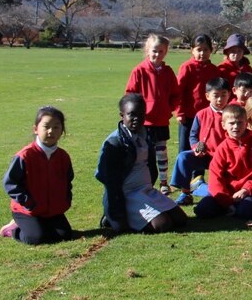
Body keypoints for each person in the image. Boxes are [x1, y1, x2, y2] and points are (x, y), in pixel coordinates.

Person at [95, 94, 187, 234]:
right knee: (163, 225)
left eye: (141, 114)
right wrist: (117, 217)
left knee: (181, 220)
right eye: (131, 115)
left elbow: (150, 165)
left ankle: (144, 215)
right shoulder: (114, 143)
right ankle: (113, 217)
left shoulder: (146, 135)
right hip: (127, 194)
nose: (136, 118)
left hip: (146, 190)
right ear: (122, 115)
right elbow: (107, 179)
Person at [1, 106, 75, 244]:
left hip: (52, 210)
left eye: (56, 127)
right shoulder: (25, 155)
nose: (51, 131)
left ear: (62, 130)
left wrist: (65, 200)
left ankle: (41, 225)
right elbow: (9, 182)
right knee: (36, 238)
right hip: (27, 210)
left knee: (65, 235)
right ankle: (14, 230)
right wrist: (28, 202)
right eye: (46, 126)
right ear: (36, 129)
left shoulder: (63, 157)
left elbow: (67, 180)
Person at [125, 33, 179, 194]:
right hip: (144, 123)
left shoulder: (168, 72)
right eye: (154, 51)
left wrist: (168, 109)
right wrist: (139, 112)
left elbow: (176, 94)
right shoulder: (139, 71)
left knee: (161, 153)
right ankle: (145, 184)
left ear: (166, 52)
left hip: (161, 121)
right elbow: (130, 95)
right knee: (144, 155)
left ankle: (163, 183)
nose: (157, 54)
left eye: (161, 51)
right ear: (148, 50)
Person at [169, 76, 231, 206]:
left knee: (219, 193)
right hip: (204, 156)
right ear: (207, 96)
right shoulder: (201, 114)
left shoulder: (231, 115)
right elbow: (193, 135)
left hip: (224, 159)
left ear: (229, 95)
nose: (220, 99)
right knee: (183, 157)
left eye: (223, 95)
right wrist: (196, 147)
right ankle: (185, 193)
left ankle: (199, 187)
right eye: (216, 95)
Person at [194, 104, 252, 220]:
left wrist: (247, 189)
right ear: (224, 125)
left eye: (240, 123)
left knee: (246, 211)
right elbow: (215, 178)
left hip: (246, 193)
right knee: (202, 209)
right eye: (232, 123)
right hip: (225, 194)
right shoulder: (222, 148)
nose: (236, 127)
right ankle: (229, 209)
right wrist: (226, 202)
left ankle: (235, 210)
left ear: (246, 123)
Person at [174, 34, 219, 153]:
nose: (202, 53)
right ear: (192, 50)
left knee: (202, 146)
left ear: (211, 51)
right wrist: (180, 112)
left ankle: (197, 172)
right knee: (184, 147)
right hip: (188, 115)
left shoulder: (214, 70)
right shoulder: (186, 67)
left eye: (206, 50)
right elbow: (179, 90)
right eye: (199, 50)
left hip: (205, 116)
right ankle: (183, 171)